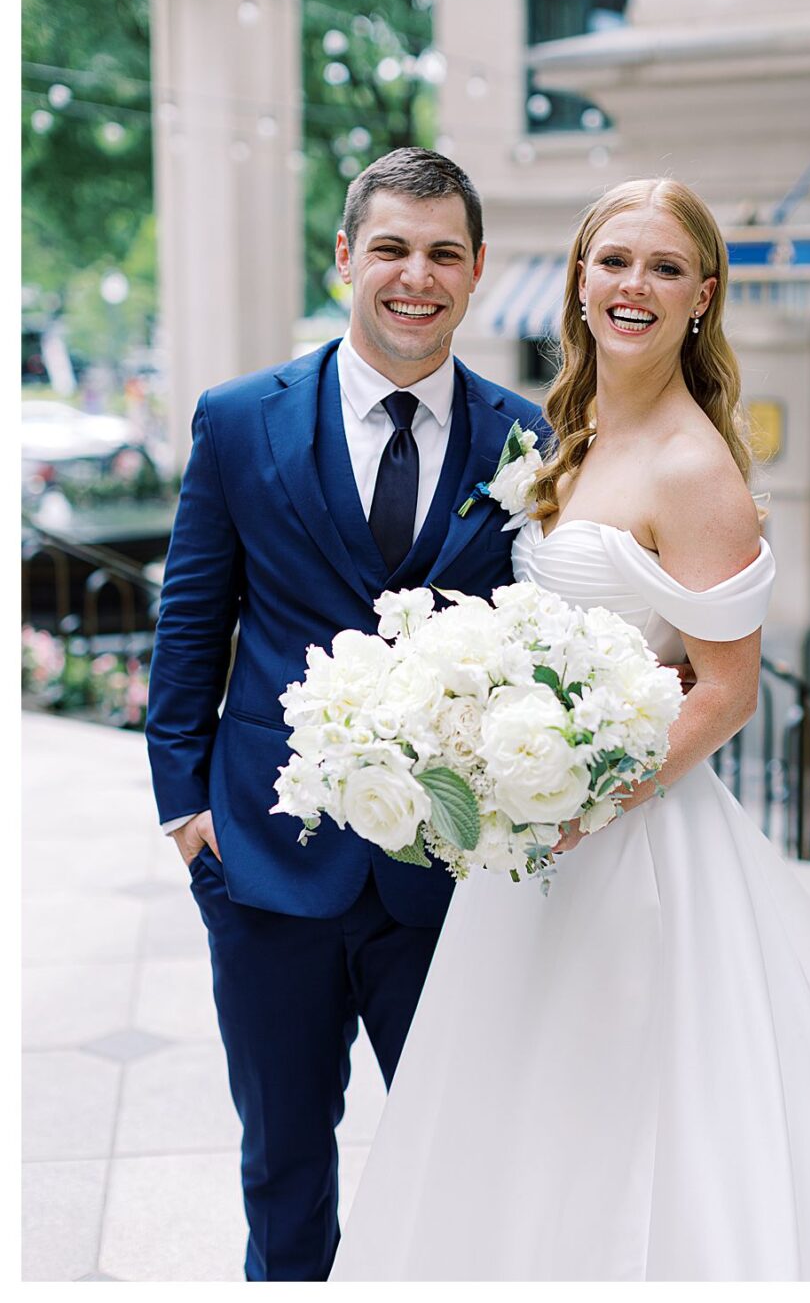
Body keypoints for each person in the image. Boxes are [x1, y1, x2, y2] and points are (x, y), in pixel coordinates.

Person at [329, 178, 810, 1280]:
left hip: (624, 834)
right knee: (515, 1098)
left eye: (660, 267)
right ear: (578, 280)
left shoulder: (697, 467)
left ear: (703, 294)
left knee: (623, 1102)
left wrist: (581, 803)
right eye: (611, 261)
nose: (630, 286)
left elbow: (723, 690)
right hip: (527, 836)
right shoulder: (568, 430)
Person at [145, 148, 552, 1280]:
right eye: (390, 248)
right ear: (344, 258)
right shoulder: (237, 422)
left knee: (461, 1153)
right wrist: (187, 812)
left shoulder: (529, 441)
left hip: (447, 872)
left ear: (473, 275)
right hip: (268, 864)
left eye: (441, 253)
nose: (413, 276)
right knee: (281, 1158)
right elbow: (191, 624)